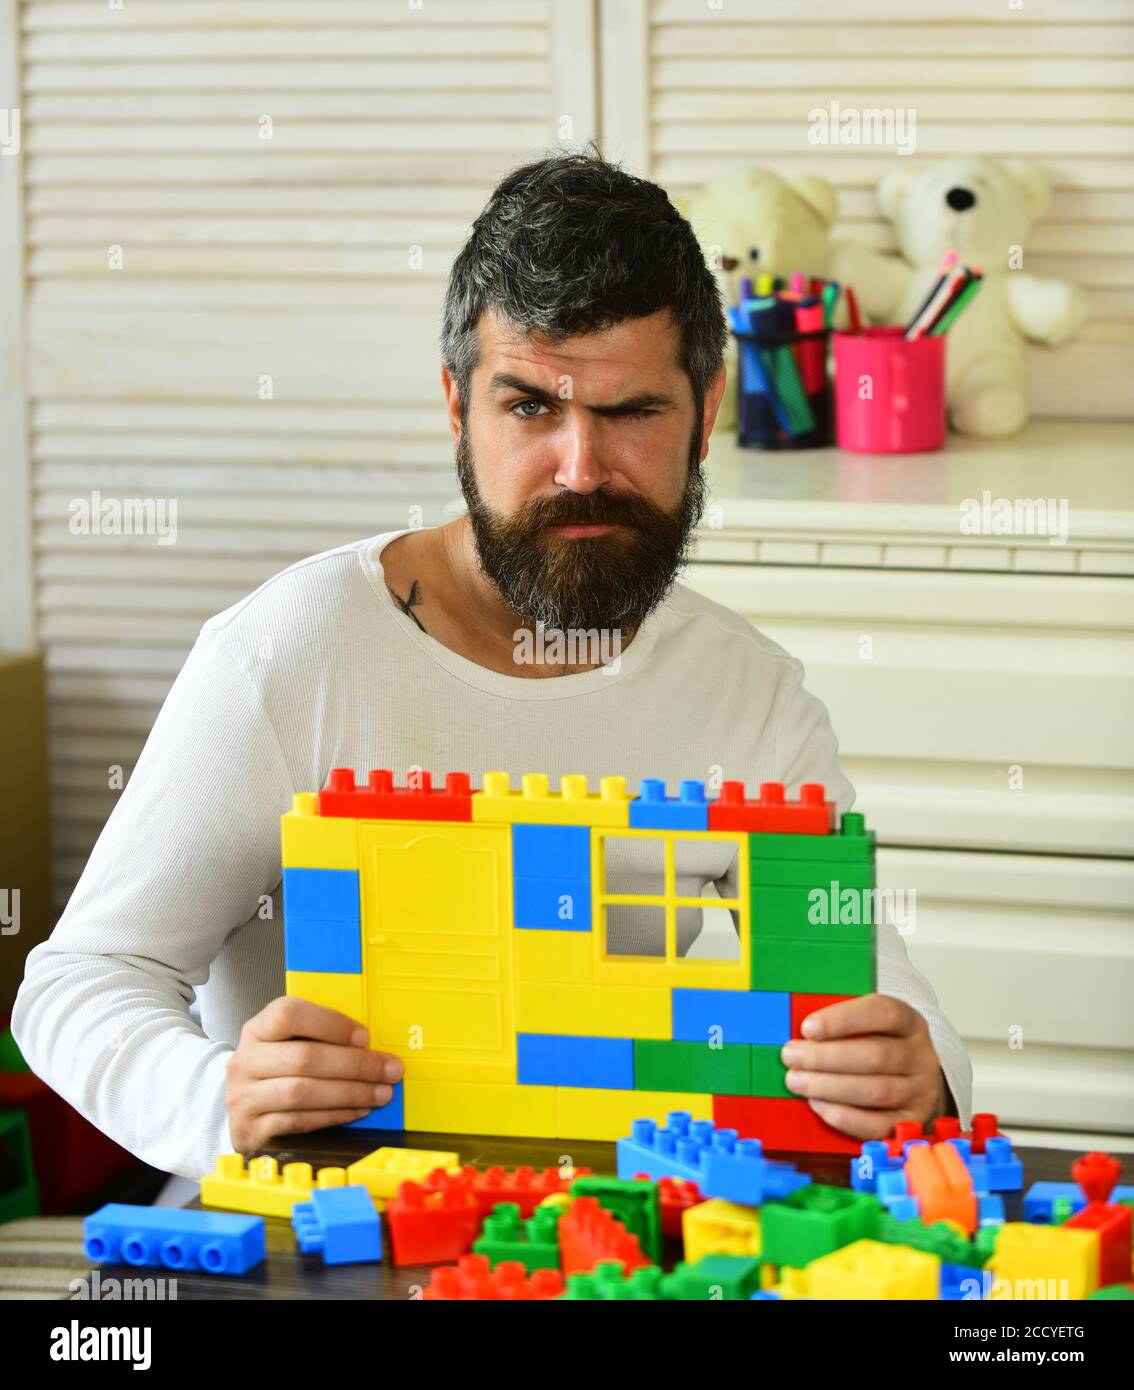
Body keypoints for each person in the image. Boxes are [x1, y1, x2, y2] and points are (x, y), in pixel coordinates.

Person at [13, 149, 971, 1180]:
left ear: (706, 414)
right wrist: (217, 1097)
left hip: (631, 1244)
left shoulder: (753, 693)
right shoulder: (286, 657)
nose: (580, 469)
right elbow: (79, 980)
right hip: (325, 1240)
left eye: (632, 413)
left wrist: (921, 1072)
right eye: (529, 408)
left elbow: (883, 996)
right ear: (454, 407)